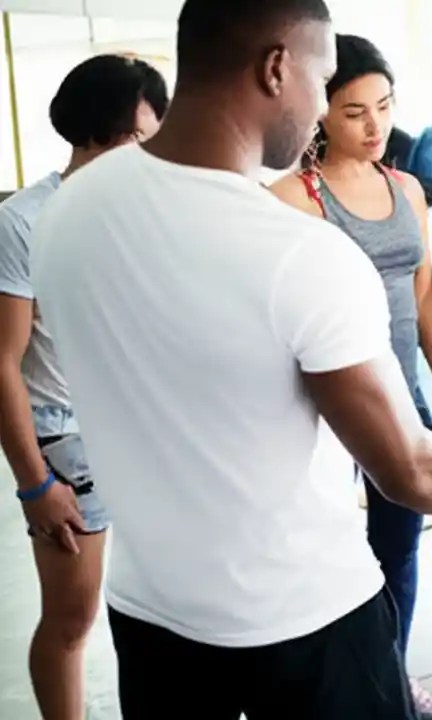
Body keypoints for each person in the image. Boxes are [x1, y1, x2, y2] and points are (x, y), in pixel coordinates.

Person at [27, 1, 432, 718]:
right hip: (308, 621)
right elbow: (408, 471)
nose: (322, 107)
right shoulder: (300, 254)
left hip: (151, 615)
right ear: (277, 68)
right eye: (324, 77)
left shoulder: (63, 216)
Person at [269, 33, 432, 719]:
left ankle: (394, 677)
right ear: (320, 112)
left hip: (400, 400)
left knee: (399, 551)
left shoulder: (407, 188)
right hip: (322, 412)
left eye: (384, 106)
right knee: (323, 560)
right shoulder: (293, 198)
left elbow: (424, 294)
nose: (376, 124)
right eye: (355, 111)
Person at [0, 53, 166, 720]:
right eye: (135, 139)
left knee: (161, 614)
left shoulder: (151, 211)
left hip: (147, 429)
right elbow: (3, 362)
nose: (146, 156)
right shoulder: (26, 220)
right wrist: (35, 483)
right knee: (72, 617)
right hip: (66, 440)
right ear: (93, 130)